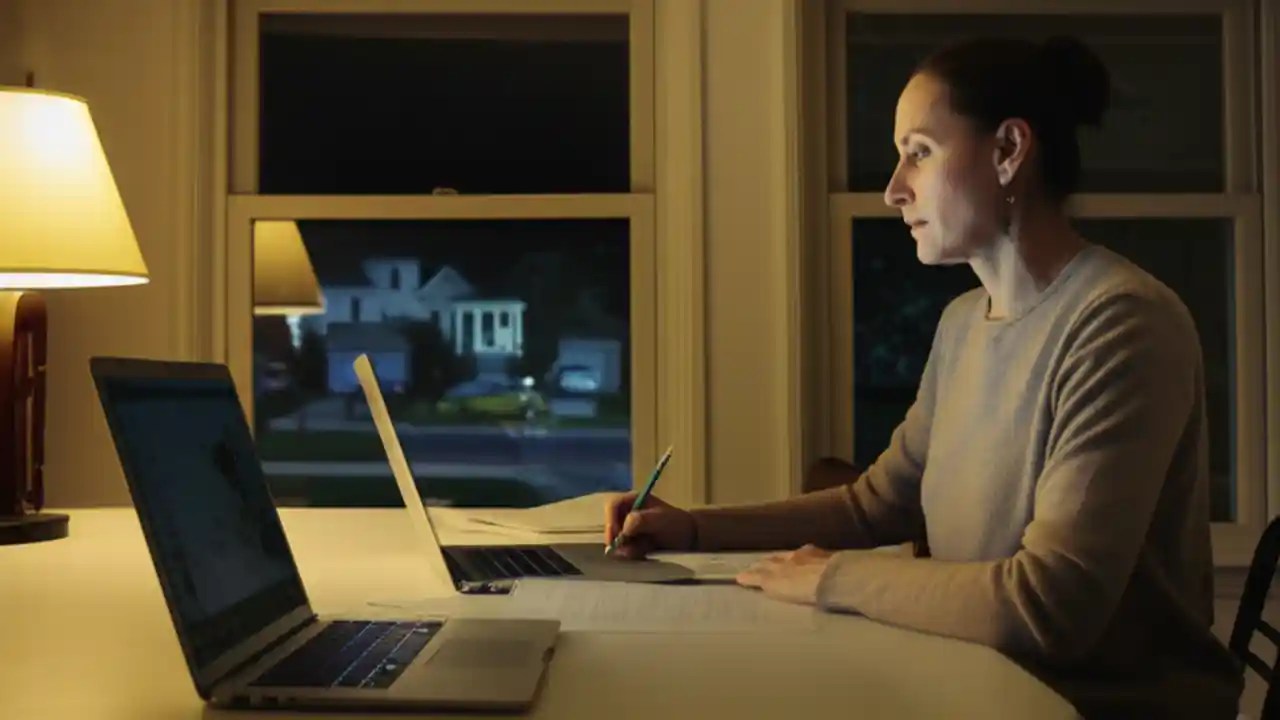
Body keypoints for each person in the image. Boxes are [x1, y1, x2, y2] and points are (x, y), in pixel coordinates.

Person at [603, 35, 1243, 720]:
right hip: (974, 686)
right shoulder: (965, 324)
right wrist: (692, 530)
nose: (892, 189)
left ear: (1008, 152)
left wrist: (831, 577)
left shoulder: (1122, 325)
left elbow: (1050, 607)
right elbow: (874, 505)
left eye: (919, 152)